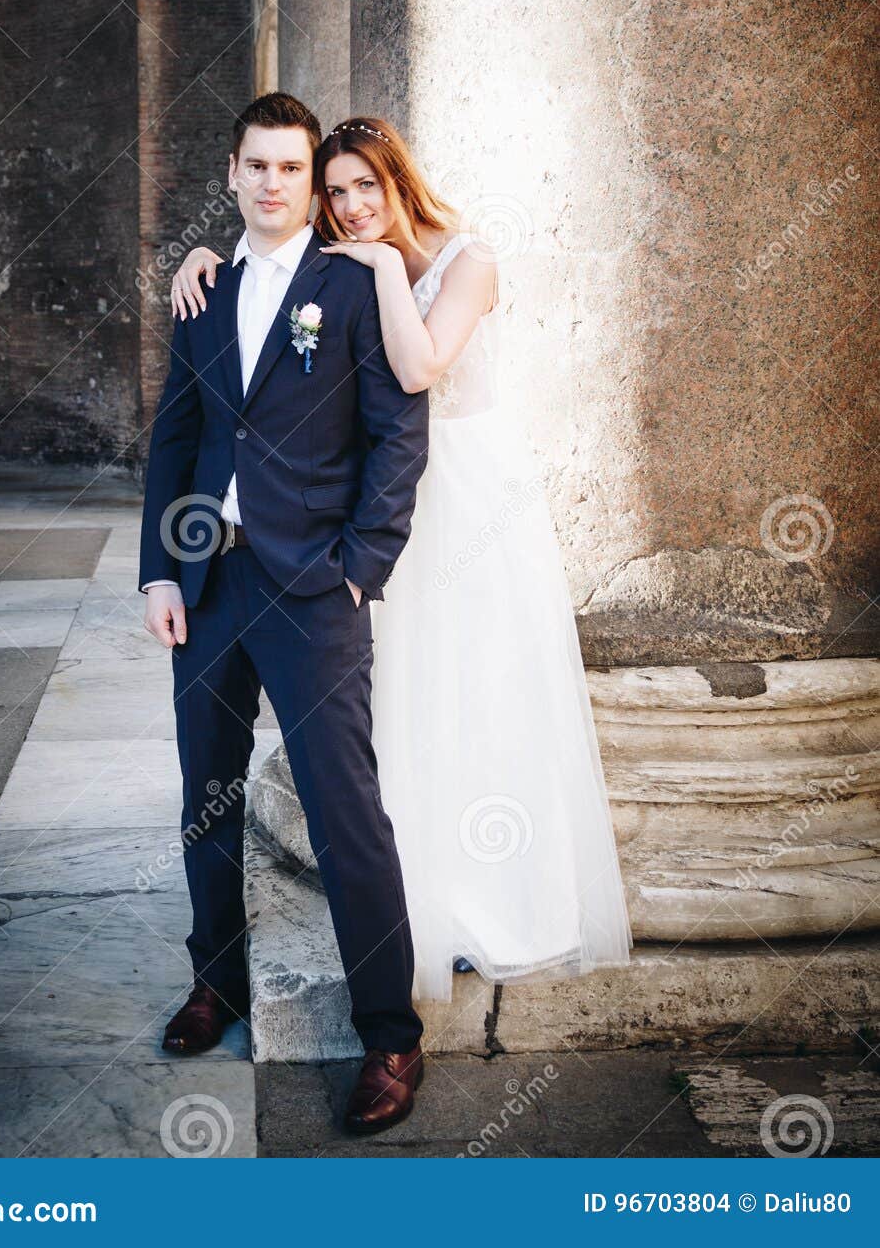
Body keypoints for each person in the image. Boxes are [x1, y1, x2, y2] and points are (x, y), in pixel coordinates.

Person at [169, 113, 634, 1008]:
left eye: (360, 188)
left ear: (396, 181)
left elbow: (416, 373)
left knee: (485, 695)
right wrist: (204, 257)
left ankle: (503, 900)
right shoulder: (318, 267)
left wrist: (384, 266)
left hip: (465, 503)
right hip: (358, 523)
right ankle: (426, 898)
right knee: (409, 708)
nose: (347, 207)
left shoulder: (461, 261)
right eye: (334, 192)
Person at [140, 92, 429, 1136]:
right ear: (231, 175)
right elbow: (176, 438)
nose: (272, 184)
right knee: (203, 796)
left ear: (313, 183)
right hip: (208, 581)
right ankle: (214, 981)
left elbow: (398, 433)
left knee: (345, 808)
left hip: (315, 589)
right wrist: (157, 574)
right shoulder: (203, 291)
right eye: (254, 166)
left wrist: (363, 564)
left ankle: (389, 1033)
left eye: (290, 169)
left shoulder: (347, 285)